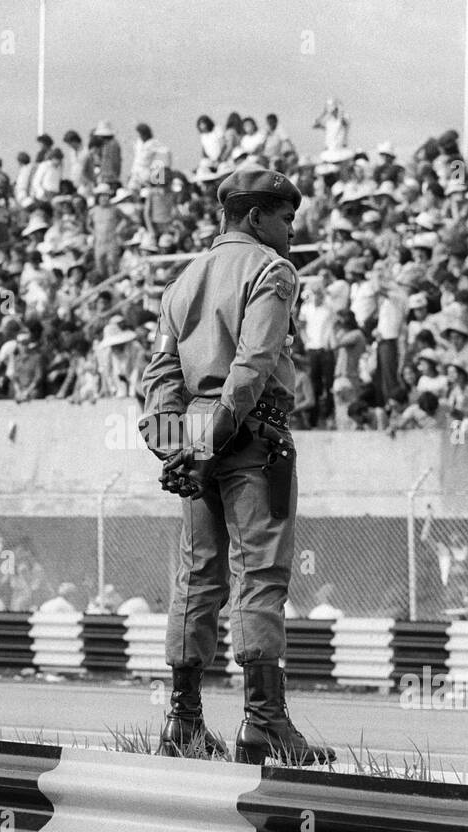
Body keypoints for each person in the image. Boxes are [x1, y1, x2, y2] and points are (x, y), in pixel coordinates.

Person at [137, 166, 333, 766]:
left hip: (197, 438)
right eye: (284, 218)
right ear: (254, 217)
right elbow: (252, 367)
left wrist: (178, 447)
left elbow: (161, 379)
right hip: (253, 440)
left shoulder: (183, 280)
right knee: (262, 575)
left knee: (197, 579)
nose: (291, 231)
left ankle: (184, 721)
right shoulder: (272, 271)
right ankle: (264, 722)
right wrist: (209, 441)